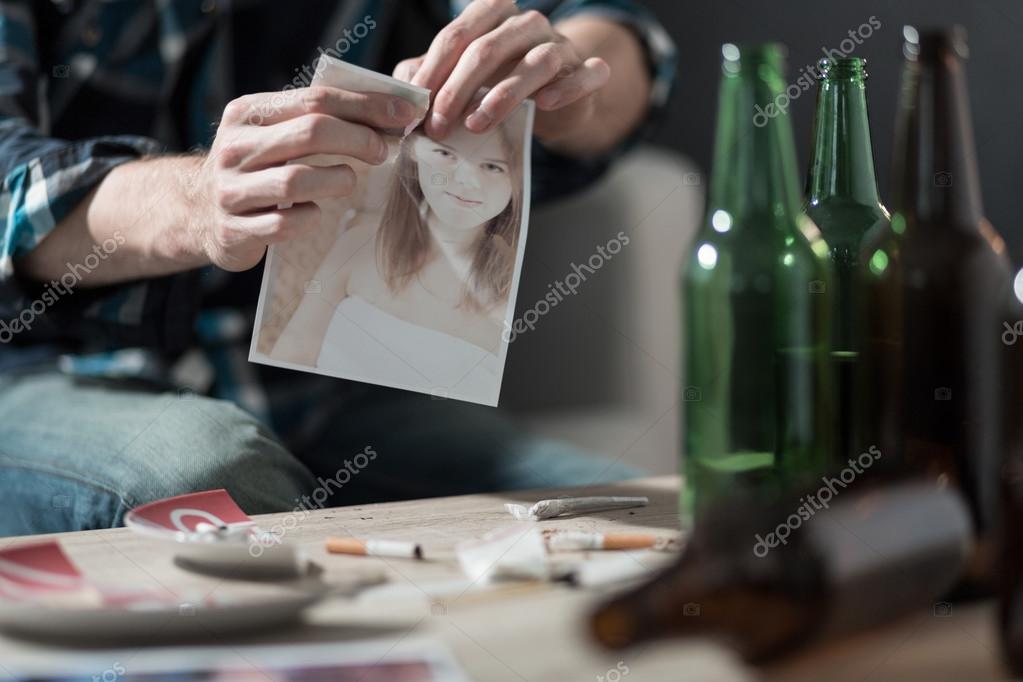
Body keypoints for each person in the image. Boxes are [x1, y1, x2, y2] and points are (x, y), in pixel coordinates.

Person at [0, 0, 676, 536]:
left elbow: (617, 37)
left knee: (640, 523)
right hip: (39, 372)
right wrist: (199, 200)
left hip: (323, 392)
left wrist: (566, 83)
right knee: (210, 475)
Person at [269, 110, 527, 403]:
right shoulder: (359, 244)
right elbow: (294, 351)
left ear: (518, 183)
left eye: (493, 167)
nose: (466, 180)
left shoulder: (513, 295)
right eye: (446, 153)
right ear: (415, 157)